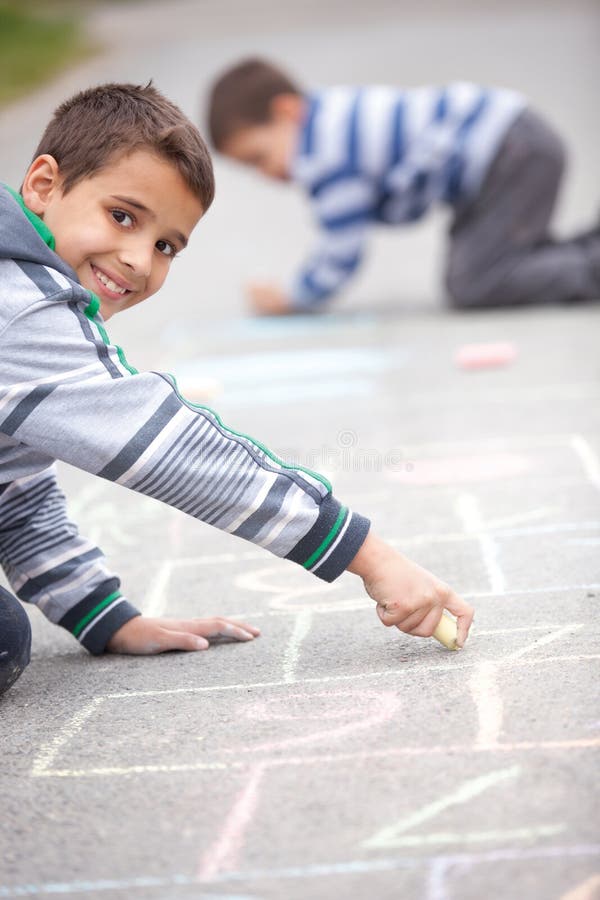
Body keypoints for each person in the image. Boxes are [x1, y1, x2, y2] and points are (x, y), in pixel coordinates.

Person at [0, 82, 473, 699]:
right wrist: (372, 557)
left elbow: (14, 490)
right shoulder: (20, 307)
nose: (140, 260)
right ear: (43, 185)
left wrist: (103, 616)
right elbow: (170, 447)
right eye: (122, 216)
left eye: (165, 246)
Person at [206, 57, 600, 315]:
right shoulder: (331, 117)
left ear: (287, 110)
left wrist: (294, 298)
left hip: (510, 152)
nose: (263, 174)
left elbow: (341, 249)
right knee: (483, 267)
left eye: (259, 157)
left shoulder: (326, 153)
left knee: (478, 281)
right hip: (509, 145)